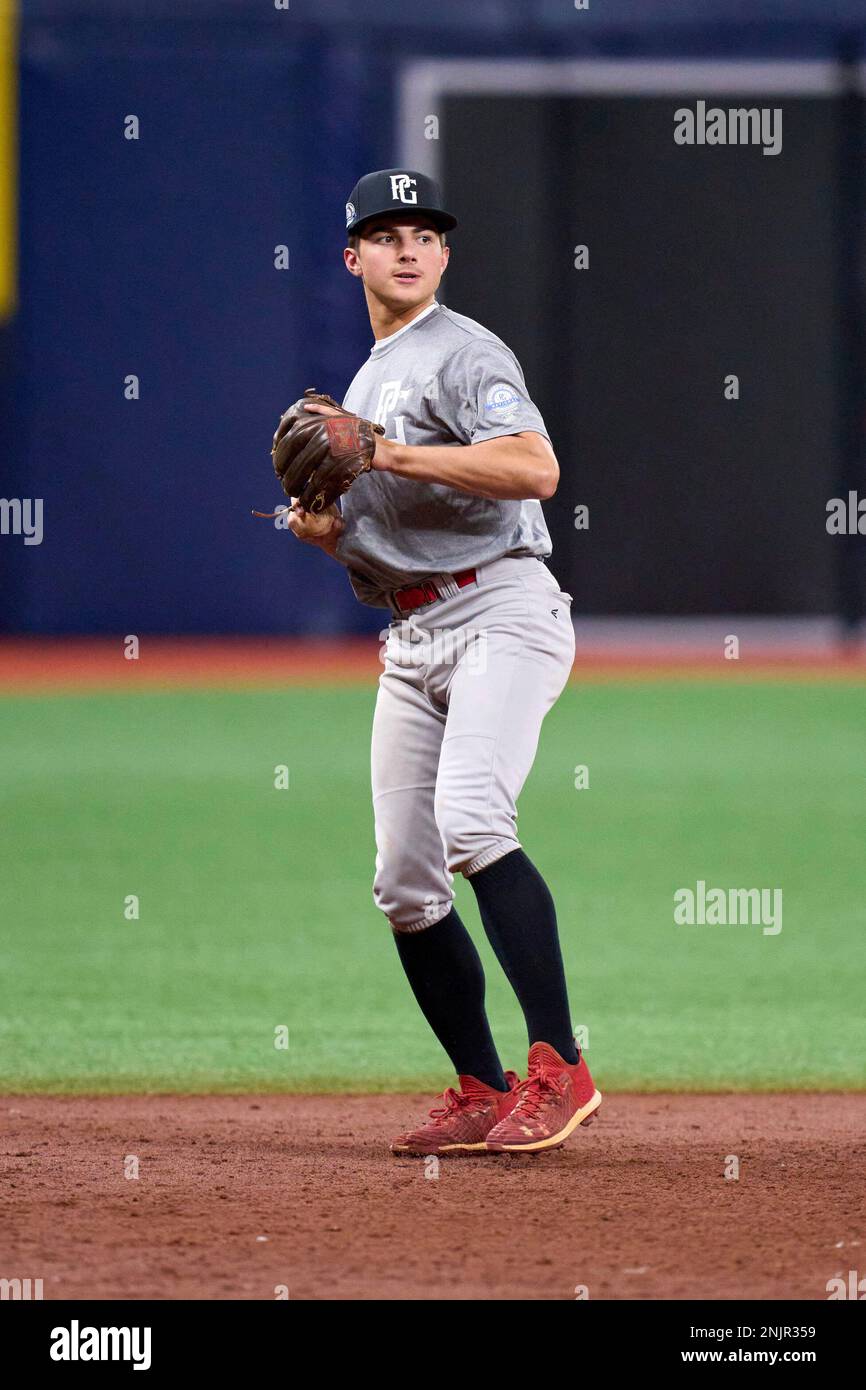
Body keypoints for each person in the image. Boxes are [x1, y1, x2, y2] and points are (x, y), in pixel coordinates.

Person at [288, 168, 601, 1154]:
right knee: (404, 882)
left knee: (472, 818)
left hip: (501, 608)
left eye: (423, 232)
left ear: (445, 254)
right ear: (353, 258)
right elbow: (385, 546)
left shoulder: (464, 353)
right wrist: (327, 530)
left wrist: (387, 457)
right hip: (412, 633)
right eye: (385, 234)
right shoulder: (367, 378)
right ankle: (479, 1083)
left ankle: (561, 1067)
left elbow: (533, 468)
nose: (408, 247)